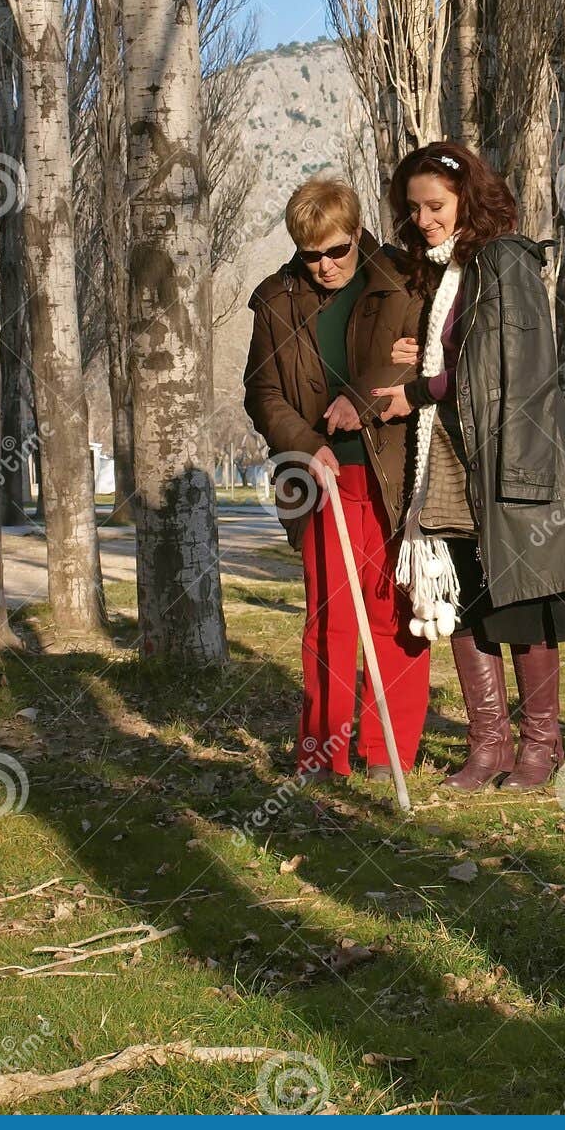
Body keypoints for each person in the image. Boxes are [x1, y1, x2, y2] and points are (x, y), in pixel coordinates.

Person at [372, 142, 565, 791]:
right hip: (451, 457)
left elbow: (504, 372)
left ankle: (540, 746)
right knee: (470, 600)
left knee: (521, 604)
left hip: (507, 459)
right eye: (412, 209)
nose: (423, 220)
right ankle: (488, 745)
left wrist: (417, 387)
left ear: (467, 198)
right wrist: (426, 362)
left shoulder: (501, 261)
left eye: (435, 206)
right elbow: (462, 360)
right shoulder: (449, 274)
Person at [243, 178, 426, 782]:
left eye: (336, 251)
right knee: (329, 615)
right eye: (310, 254)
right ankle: (322, 754)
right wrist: (307, 444)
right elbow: (262, 390)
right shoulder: (276, 299)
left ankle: (387, 752)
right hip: (321, 476)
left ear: (357, 234)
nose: (324, 266)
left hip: (391, 471)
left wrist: (360, 400)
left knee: (391, 610)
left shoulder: (402, 279)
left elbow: (422, 359)